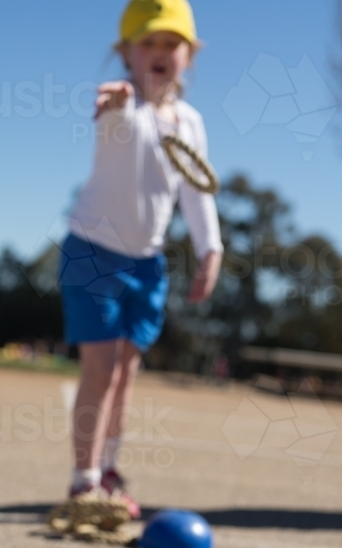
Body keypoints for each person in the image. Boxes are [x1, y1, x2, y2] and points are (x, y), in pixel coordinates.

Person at [59, 0, 223, 516]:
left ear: (189, 56)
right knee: (101, 368)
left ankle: (108, 467)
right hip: (93, 252)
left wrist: (209, 250)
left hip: (147, 265)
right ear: (125, 52)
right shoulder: (123, 108)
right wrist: (115, 103)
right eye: (147, 42)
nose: (159, 52)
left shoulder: (191, 124)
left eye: (170, 43)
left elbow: (198, 192)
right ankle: (83, 479)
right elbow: (113, 123)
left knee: (126, 374)